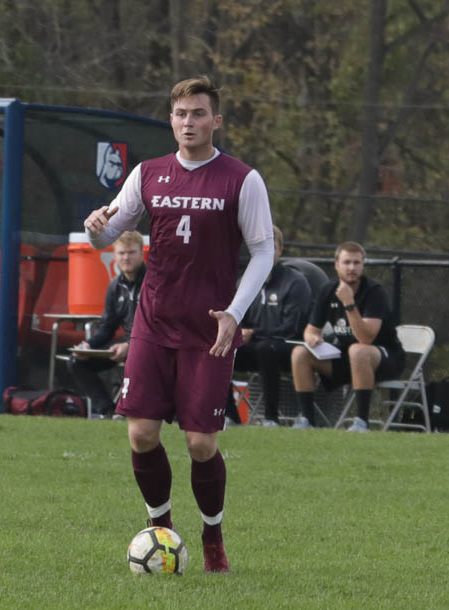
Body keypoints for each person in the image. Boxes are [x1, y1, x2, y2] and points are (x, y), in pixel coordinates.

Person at [83, 76, 275, 573]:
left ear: (217, 120)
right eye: (180, 114)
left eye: (198, 113)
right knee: (142, 433)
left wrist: (235, 312)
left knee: (200, 443)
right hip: (153, 321)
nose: (188, 122)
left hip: (209, 329)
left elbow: (263, 250)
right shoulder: (148, 173)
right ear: (171, 120)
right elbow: (109, 238)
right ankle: (160, 530)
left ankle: (213, 537)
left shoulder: (241, 179)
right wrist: (95, 231)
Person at [290, 241, 404, 431]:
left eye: (357, 263)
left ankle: (361, 422)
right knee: (300, 353)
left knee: (358, 350)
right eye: (347, 262)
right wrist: (312, 339)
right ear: (337, 265)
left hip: (384, 357)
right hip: (347, 358)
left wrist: (349, 304)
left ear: (363, 265)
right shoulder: (327, 290)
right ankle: (307, 421)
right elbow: (311, 330)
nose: (352, 268)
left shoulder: (375, 292)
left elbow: (366, 338)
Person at [224, 225, 311, 427]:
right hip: (255, 345)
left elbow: (292, 327)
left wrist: (254, 333)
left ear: (279, 249)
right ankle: (229, 414)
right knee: (222, 348)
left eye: (270, 246)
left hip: (287, 345)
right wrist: (239, 332)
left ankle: (271, 418)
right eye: (259, 246)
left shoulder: (295, 282)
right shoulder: (245, 281)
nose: (264, 251)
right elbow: (237, 317)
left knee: (266, 348)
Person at [67, 230, 146, 418]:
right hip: (125, 344)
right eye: (121, 253)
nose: (126, 258)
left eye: (131, 252)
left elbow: (160, 326)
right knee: (77, 362)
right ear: (114, 255)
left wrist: (130, 345)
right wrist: (89, 345)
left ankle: (133, 410)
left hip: (151, 344)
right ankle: (109, 412)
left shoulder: (153, 283)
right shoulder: (114, 287)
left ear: (142, 254)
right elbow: (108, 327)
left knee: (139, 356)